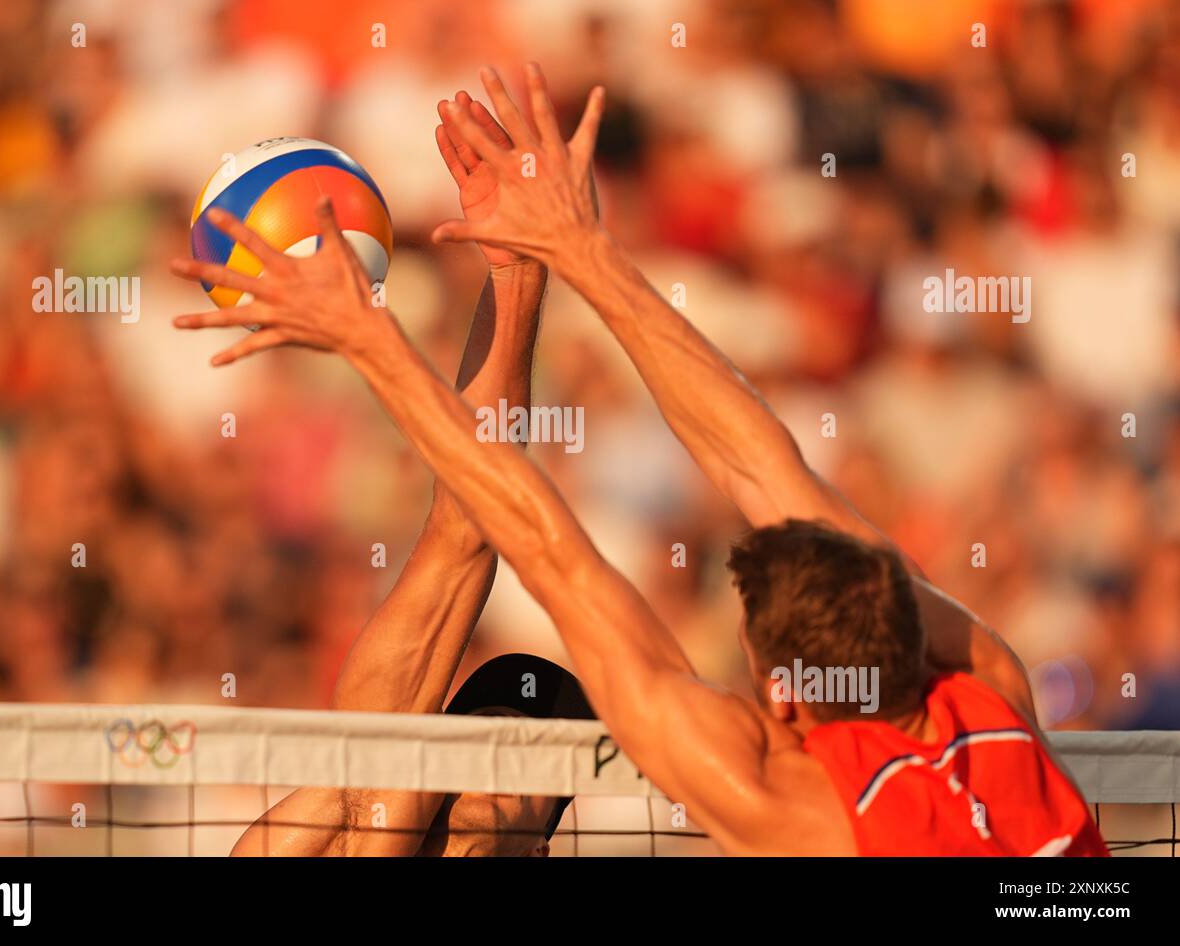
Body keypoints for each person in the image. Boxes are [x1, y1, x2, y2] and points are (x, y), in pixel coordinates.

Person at [174, 64, 1107, 856]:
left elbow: (547, 545)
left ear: (779, 702)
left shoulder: (789, 803)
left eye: (520, 763)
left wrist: (383, 340)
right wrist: (556, 256)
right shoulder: (993, 696)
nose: (495, 792)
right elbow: (766, 477)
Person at [229, 93, 593, 857]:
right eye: (479, 738)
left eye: (528, 754)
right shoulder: (363, 829)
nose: (496, 761)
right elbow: (465, 528)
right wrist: (516, 276)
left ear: (548, 834)